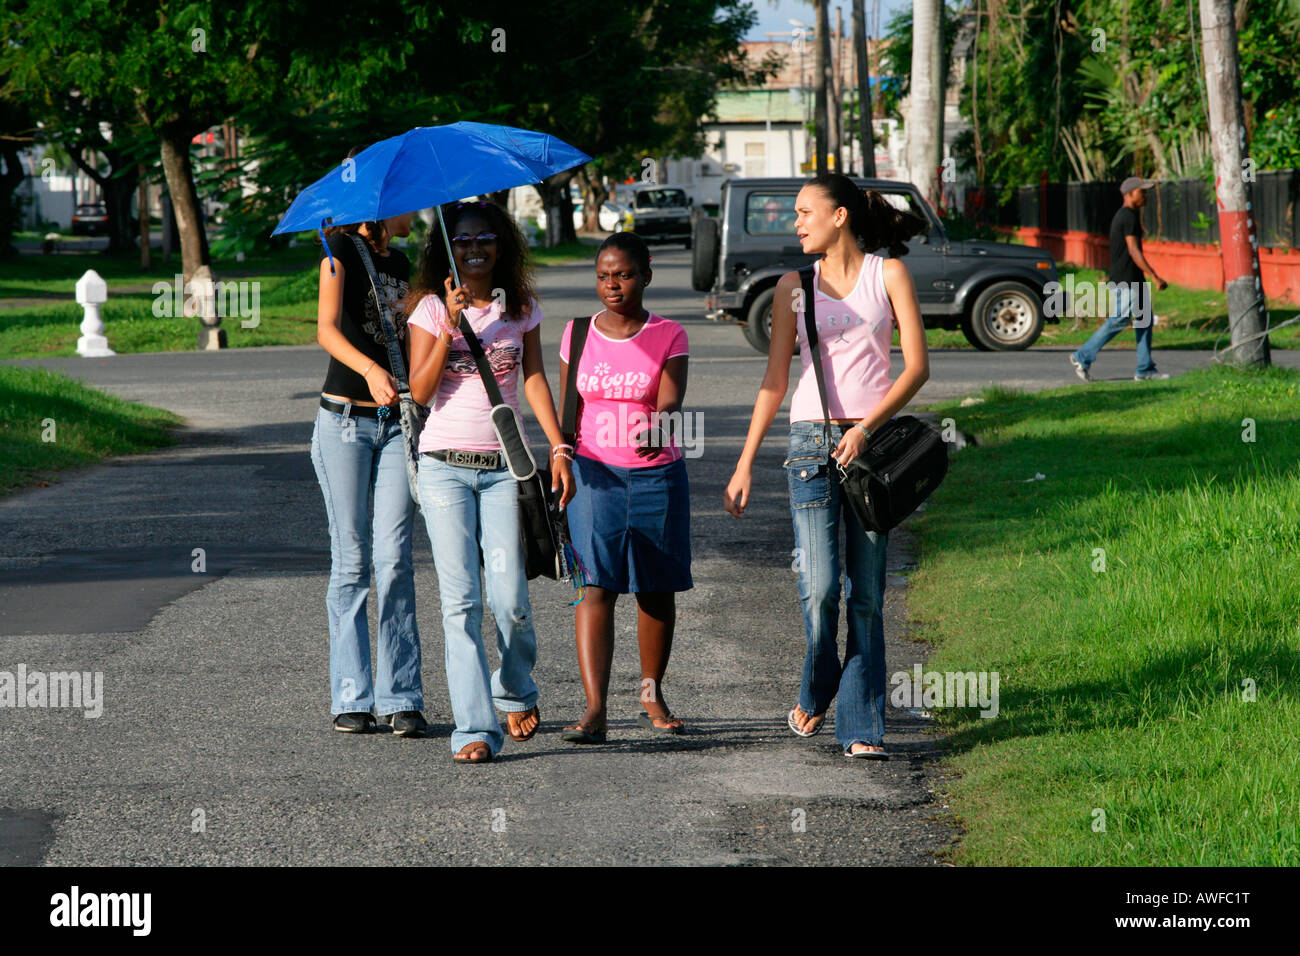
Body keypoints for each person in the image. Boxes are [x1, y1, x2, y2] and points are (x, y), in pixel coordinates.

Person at [723, 173, 930, 759]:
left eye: (805, 211)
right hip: (810, 446)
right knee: (818, 590)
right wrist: (744, 464)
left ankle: (861, 726)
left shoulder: (887, 274)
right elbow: (775, 381)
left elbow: (916, 367)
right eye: (795, 213)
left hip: (873, 449)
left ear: (840, 216)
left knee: (866, 593)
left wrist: (866, 428)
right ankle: (817, 687)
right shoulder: (794, 285)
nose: (797, 222)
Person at [405, 200, 574, 764]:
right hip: (444, 468)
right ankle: (473, 729)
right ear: (446, 249)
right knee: (461, 604)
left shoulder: (520, 307)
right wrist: (449, 325)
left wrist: (558, 446)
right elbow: (421, 391)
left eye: (485, 239)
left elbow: (532, 379)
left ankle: (516, 687)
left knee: (511, 602)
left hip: (505, 468)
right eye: (463, 241)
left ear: (502, 245)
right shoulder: (429, 308)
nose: (474, 248)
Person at [558, 232, 692, 744]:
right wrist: (561, 460)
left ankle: (651, 693)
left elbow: (671, 399)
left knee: (655, 589)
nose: (613, 285)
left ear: (646, 275)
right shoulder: (576, 333)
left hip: (657, 474)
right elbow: (569, 413)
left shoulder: (669, 333)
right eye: (604, 276)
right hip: (594, 475)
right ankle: (594, 710)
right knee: (595, 586)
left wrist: (657, 425)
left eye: (624, 274)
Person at [310, 148, 425, 737]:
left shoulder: (405, 264)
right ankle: (352, 695)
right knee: (352, 563)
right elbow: (328, 329)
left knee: (395, 560)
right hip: (346, 424)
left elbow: (409, 338)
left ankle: (401, 694)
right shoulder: (337, 253)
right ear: (384, 206)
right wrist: (371, 371)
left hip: (397, 425)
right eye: (411, 201)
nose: (420, 210)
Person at [1069, 176, 1170, 382]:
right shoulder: (1127, 217)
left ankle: (1145, 369)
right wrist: (1155, 276)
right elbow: (1133, 251)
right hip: (1126, 279)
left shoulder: (1128, 215)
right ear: (1130, 194)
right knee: (1120, 319)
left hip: (1131, 278)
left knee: (1144, 321)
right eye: (1142, 192)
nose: (1146, 195)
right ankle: (1083, 356)